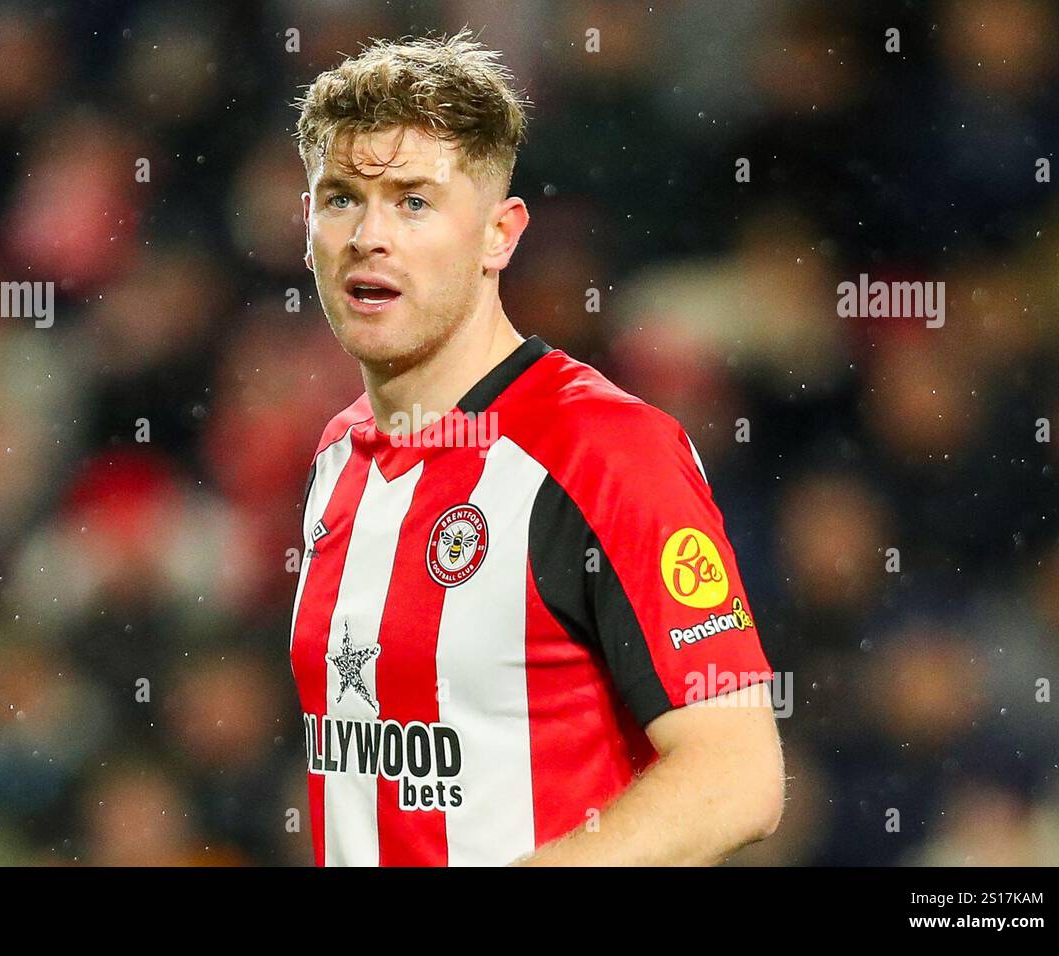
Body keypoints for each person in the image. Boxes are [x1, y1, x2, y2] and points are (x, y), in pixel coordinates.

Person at [288, 29, 784, 866]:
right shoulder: (338, 457)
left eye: (414, 201)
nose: (370, 234)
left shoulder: (608, 451)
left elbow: (738, 774)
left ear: (499, 234)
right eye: (341, 198)